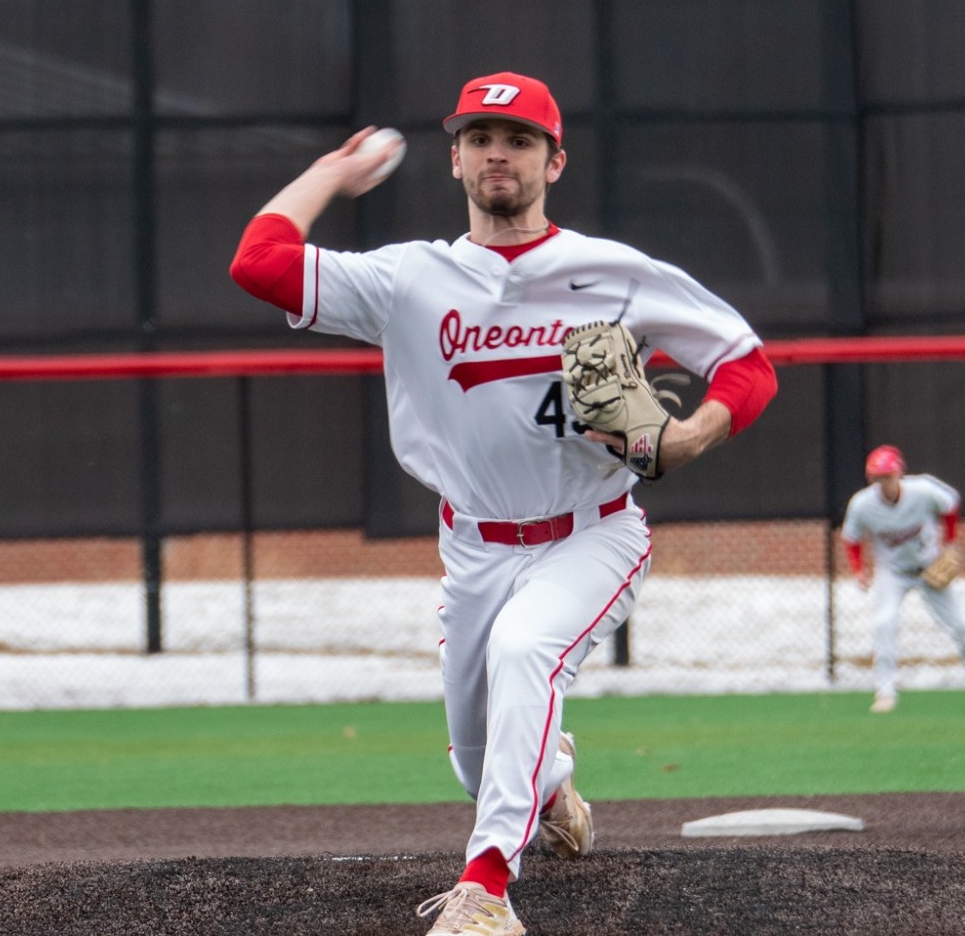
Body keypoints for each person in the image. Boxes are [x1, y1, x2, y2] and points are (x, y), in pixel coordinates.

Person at [229, 72, 777, 936]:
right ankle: (551, 788)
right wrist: (334, 173)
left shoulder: (612, 273)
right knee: (477, 758)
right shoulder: (408, 279)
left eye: (519, 140)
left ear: (554, 161)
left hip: (590, 534)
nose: (498, 153)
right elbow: (258, 264)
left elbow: (748, 363)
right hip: (474, 548)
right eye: (481, 138)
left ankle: (484, 887)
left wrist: (688, 438)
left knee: (527, 652)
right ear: (454, 159)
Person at [842, 444, 965, 714]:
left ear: (899, 473)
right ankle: (885, 693)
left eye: (887, 476)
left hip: (929, 567)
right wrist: (859, 570)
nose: (883, 482)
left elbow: (951, 503)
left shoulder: (923, 490)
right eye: (877, 477)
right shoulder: (862, 504)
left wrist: (950, 542)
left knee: (963, 625)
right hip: (893, 573)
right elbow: (851, 538)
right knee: (884, 623)